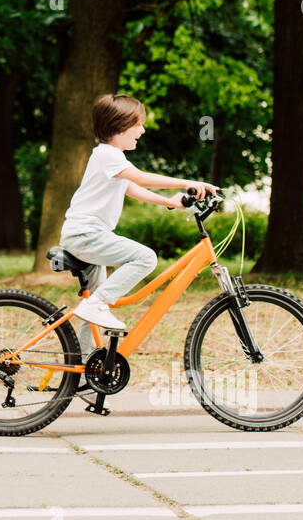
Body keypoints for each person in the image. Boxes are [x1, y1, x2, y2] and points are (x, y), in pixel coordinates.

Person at [62, 94, 217, 349]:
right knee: (145, 258)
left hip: (85, 235)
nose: (142, 130)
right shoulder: (108, 155)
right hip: (86, 235)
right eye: (138, 124)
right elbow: (141, 178)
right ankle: (96, 305)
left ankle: (84, 368)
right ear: (120, 126)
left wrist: (170, 201)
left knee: (94, 305)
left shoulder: (111, 158)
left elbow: (132, 188)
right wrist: (186, 182)